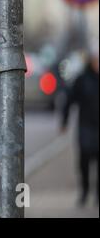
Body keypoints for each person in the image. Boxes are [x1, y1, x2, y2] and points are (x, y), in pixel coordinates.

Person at [61, 44, 99, 207]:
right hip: (86, 127)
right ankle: (84, 192)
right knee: (84, 161)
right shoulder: (82, 79)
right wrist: (64, 121)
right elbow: (69, 100)